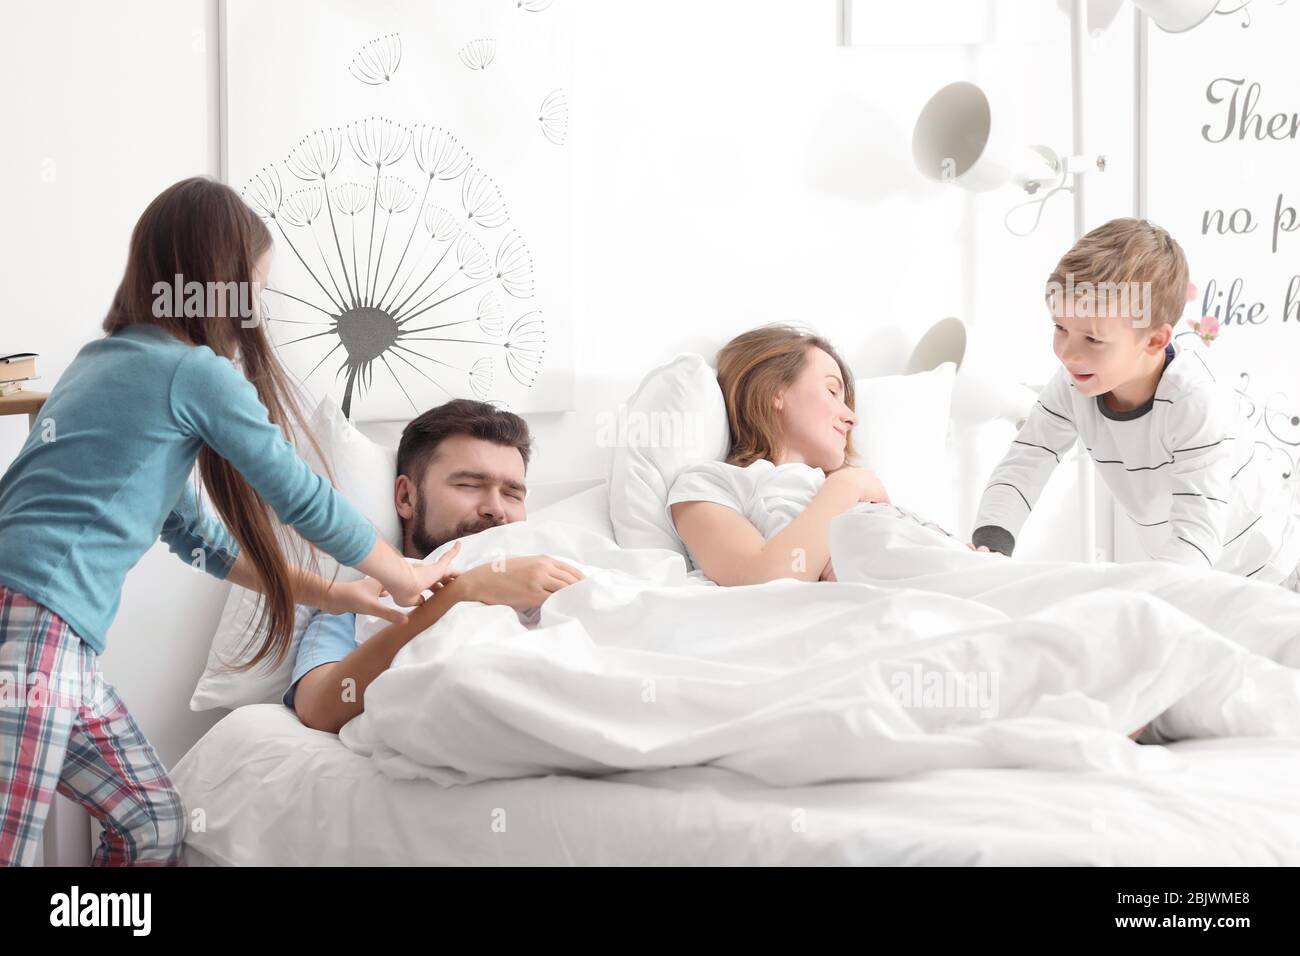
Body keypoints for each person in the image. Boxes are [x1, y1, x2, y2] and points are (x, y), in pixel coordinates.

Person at [0, 177, 456, 866]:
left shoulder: (110, 365)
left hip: (53, 635)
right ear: (218, 281)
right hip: (31, 626)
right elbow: (298, 493)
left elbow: (197, 538)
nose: (255, 313)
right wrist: (399, 573)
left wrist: (335, 595)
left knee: (149, 821)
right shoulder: (191, 373)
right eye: (256, 291)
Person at [973, 217, 1300, 589]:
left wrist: (1145, 604)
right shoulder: (1072, 385)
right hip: (1198, 573)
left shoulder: (1193, 401)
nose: (1068, 353)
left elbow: (1197, 534)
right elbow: (1026, 462)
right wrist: (991, 548)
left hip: (1274, 571)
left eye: (1092, 340)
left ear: (1154, 341)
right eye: (1060, 328)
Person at [288, 399, 584, 734]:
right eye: (470, 485)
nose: (496, 509)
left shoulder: (565, 552)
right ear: (406, 497)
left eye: (512, 493)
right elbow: (319, 707)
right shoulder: (357, 601)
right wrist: (465, 591)